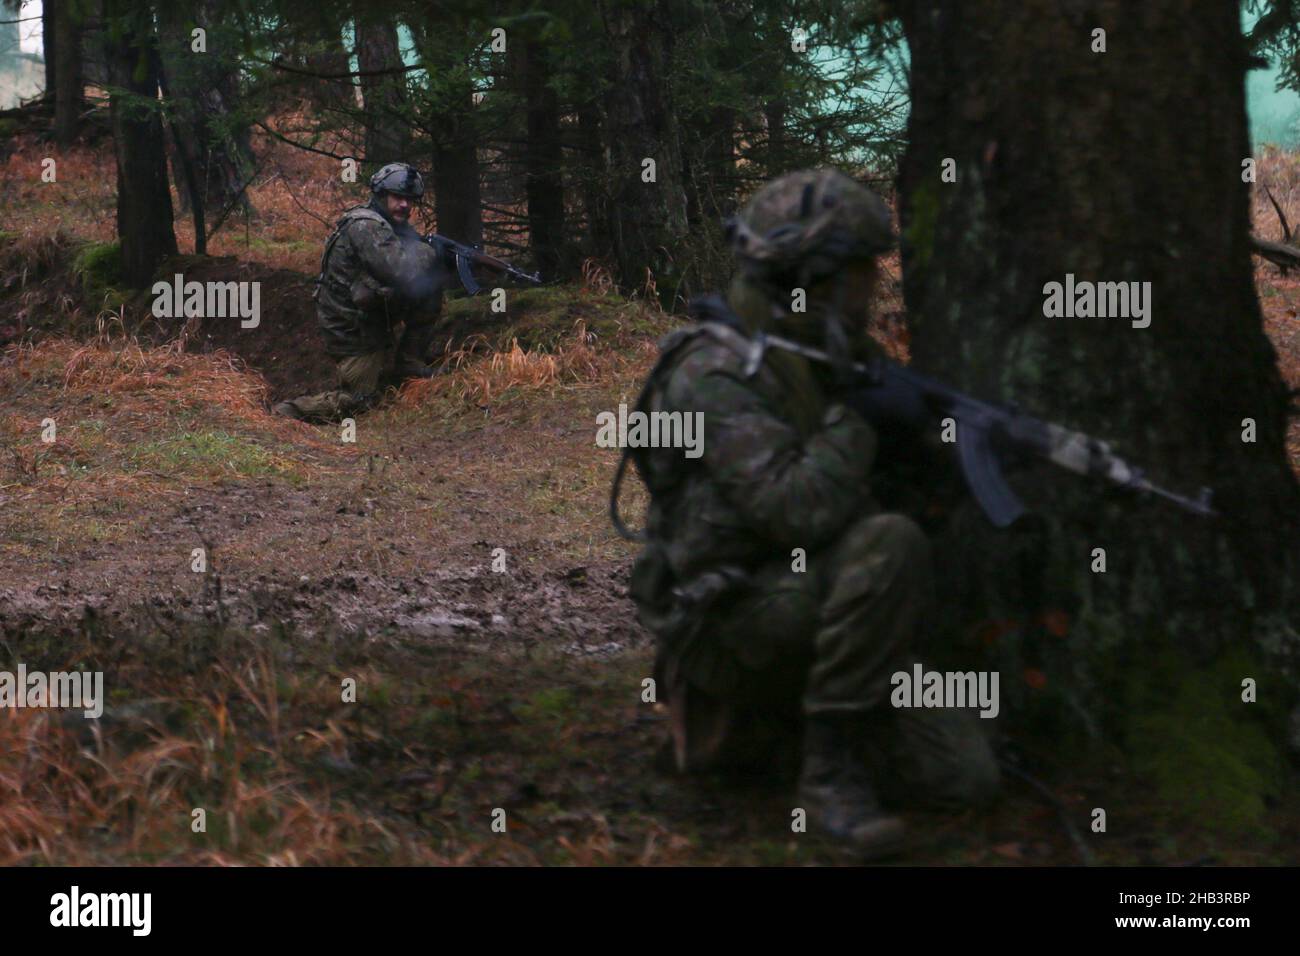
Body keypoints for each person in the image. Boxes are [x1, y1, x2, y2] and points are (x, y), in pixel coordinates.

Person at [619, 168, 1000, 858]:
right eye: (860, 271)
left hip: (822, 612)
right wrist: (857, 420)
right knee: (890, 543)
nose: (873, 287)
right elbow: (795, 509)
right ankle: (826, 781)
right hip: (727, 623)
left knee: (961, 775)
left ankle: (785, 733)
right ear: (811, 278)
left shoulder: (827, 353)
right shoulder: (715, 373)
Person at [274, 162, 448, 422]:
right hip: (351, 330)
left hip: (371, 316)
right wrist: (433, 251)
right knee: (360, 402)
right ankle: (286, 412)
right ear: (380, 195)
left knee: (430, 288)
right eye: (398, 197)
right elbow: (400, 269)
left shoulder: (390, 225)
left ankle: (407, 361)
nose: (405, 205)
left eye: (409, 200)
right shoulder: (365, 225)